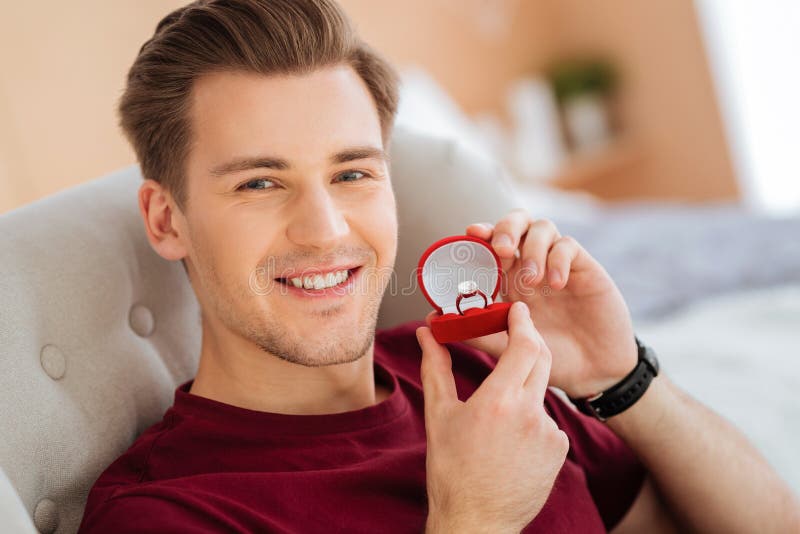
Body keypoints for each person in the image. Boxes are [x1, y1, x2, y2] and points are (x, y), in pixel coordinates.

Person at [78, 1, 800, 532]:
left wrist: (622, 380)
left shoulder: (481, 376)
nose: (325, 230)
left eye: (352, 174)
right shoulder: (167, 513)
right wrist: (475, 518)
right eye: (259, 183)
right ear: (167, 219)